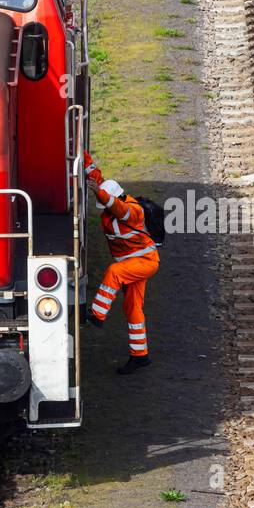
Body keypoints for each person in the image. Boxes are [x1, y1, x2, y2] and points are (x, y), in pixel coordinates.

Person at [83, 151, 159, 374]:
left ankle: (97, 314)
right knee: (133, 308)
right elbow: (96, 177)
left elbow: (119, 208)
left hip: (144, 261)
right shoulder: (110, 204)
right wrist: (83, 154)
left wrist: (101, 194)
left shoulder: (132, 210)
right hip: (133, 266)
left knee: (114, 272)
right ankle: (140, 356)